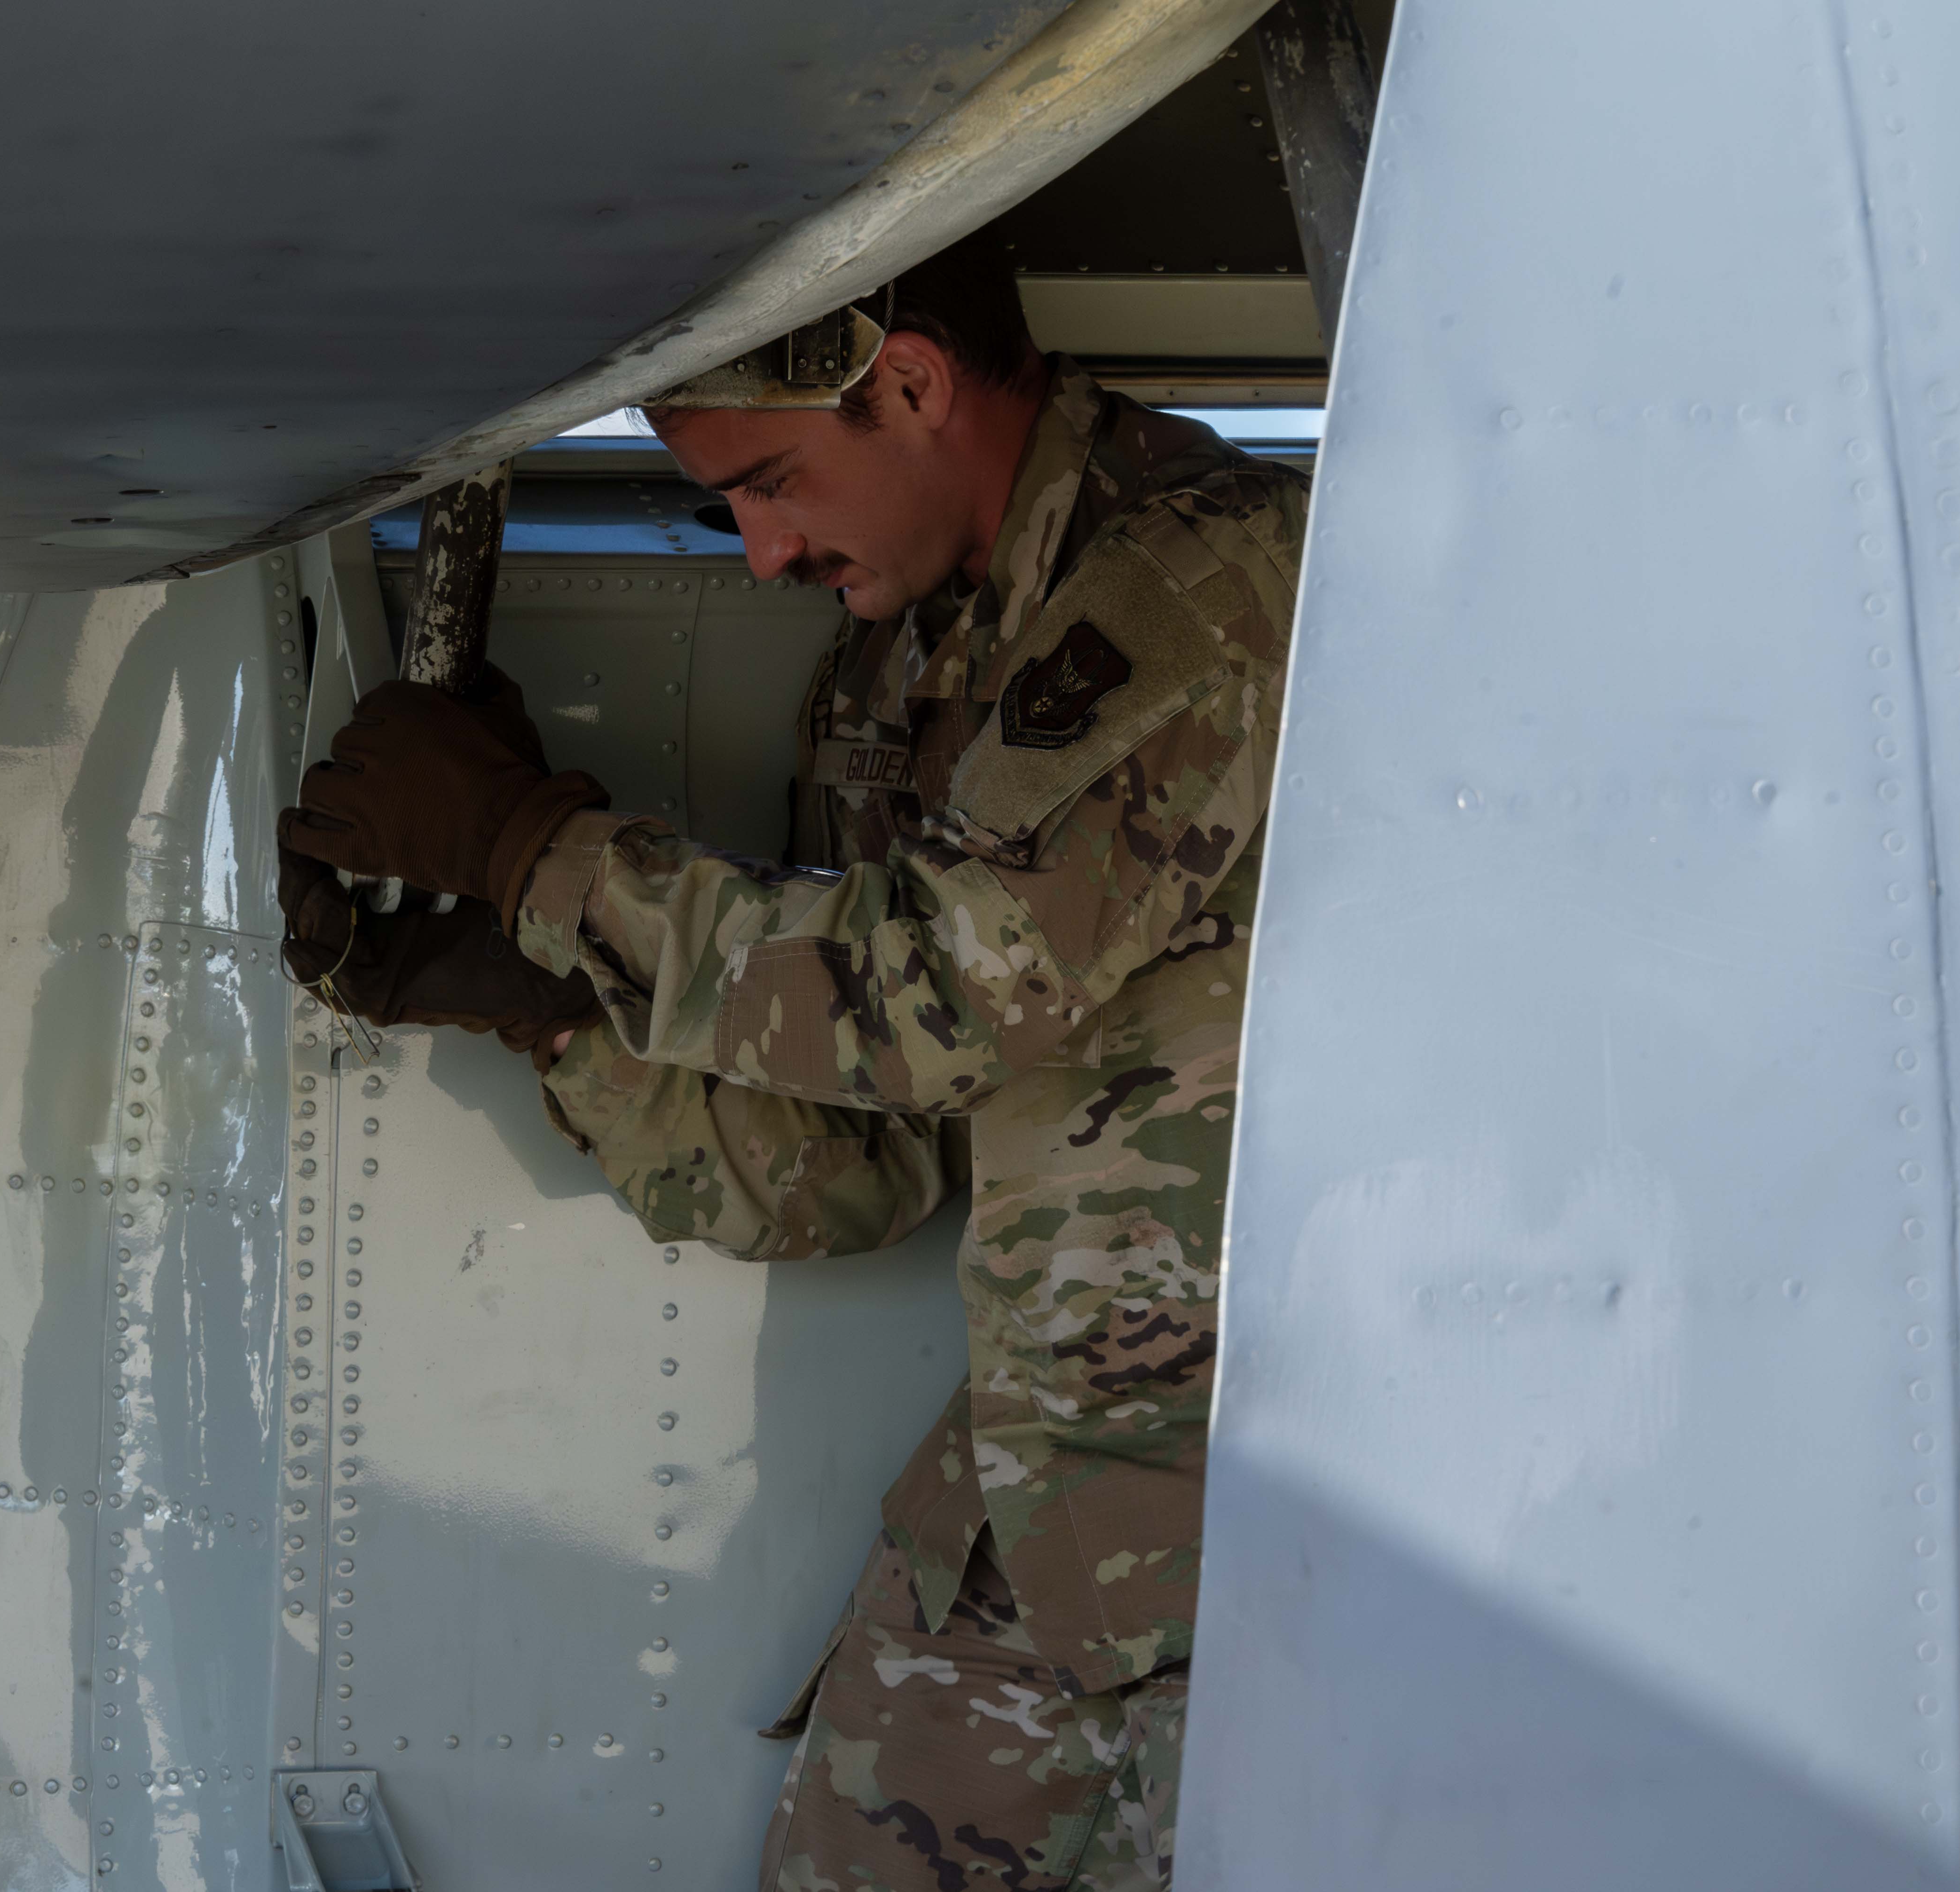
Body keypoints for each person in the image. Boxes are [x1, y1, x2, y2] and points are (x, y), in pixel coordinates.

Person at [278, 236, 1306, 1890]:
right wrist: (538, 997)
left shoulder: (1196, 587)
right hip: (1056, 1504)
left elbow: (942, 999)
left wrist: (538, 854)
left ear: (908, 382)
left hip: (1284, 1505)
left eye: (769, 485)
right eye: (725, 510)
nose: (758, 555)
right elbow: (861, 1167)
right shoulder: (909, 668)